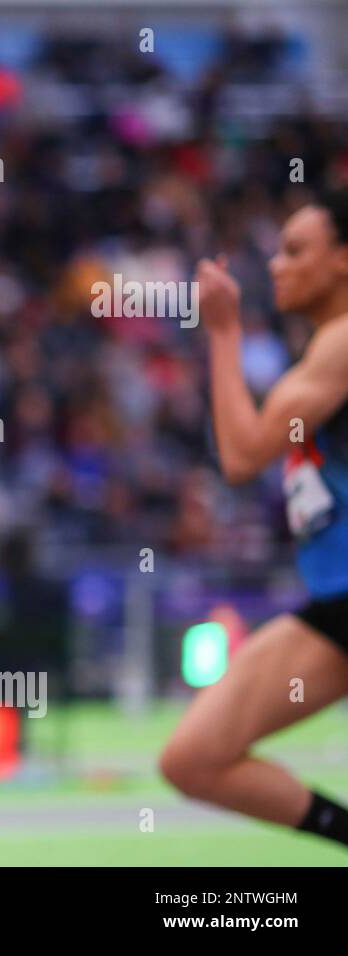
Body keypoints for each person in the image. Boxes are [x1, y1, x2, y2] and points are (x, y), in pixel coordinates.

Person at [160, 190, 348, 849]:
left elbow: (240, 456)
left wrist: (222, 330)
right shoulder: (324, 352)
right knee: (194, 757)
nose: (275, 264)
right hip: (335, 606)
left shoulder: (343, 344)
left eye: (296, 251)